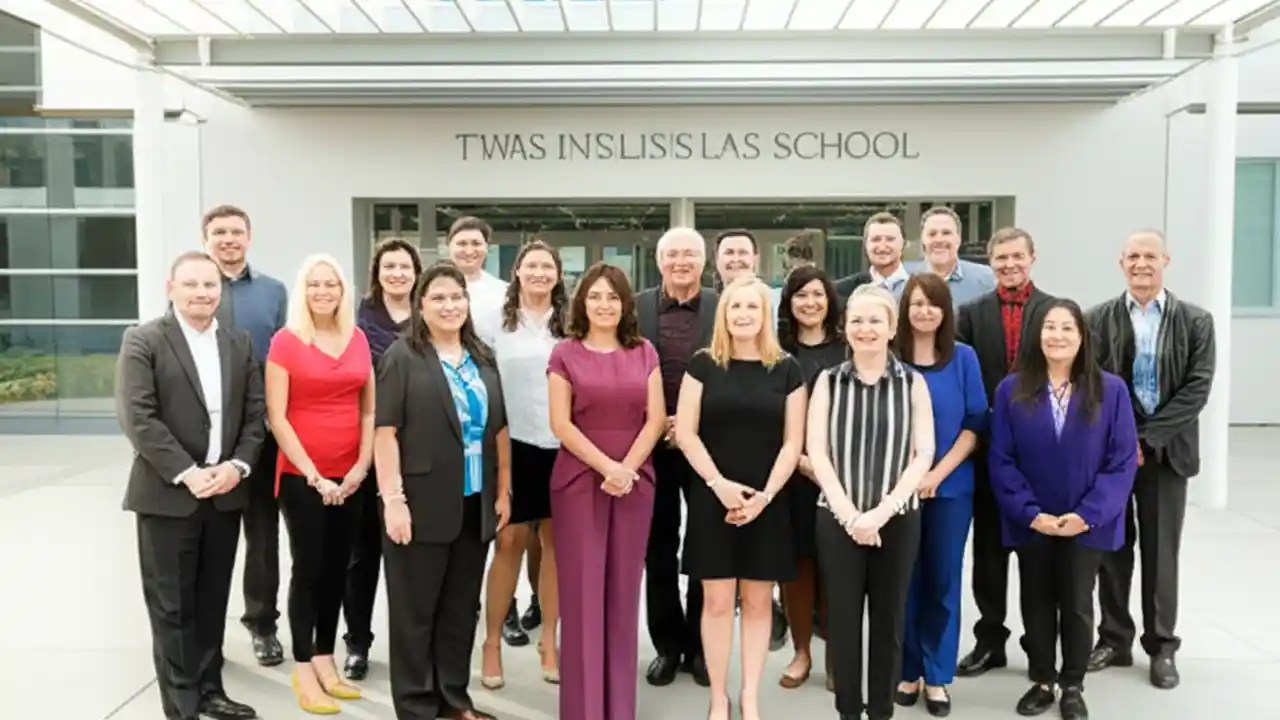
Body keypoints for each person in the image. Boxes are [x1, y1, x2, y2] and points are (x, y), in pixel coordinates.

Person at [117, 250, 265, 720]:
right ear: (171, 287)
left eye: (210, 286)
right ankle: (181, 706)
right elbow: (138, 417)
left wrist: (237, 466)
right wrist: (188, 471)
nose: (203, 293)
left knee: (210, 599)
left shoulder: (238, 343)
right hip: (168, 494)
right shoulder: (144, 340)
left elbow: (255, 417)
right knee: (171, 606)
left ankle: (210, 690)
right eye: (193, 285)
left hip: (224, 494)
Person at [989, 299, 1139, 720]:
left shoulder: (1110, 390)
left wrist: (1087, 514)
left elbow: (1122, 460)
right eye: (1049, 327)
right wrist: (1029, 511)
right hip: (1033, 520)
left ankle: (1072, 682)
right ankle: (1042, 679)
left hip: (1084, 522)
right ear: (1037, 337)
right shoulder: (1012, 389)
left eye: (1067, 328)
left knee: (1076, 602)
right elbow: (1001, 458)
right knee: (1035, 600)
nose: (1057, 335)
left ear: (1082, 336)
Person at [375, 260, 510, 720]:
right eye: (438, 298)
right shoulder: (401, 357)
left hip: (473, 505)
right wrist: (393, 501)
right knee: (415, 616)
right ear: (421, 305)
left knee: (458, 612)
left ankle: (454, 701)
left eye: (457, 296)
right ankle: (416, 707)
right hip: (420, 506)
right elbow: (385, 433)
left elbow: (498, 432)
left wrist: (503, 493)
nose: (449, 305)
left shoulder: (483, 355)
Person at [1085, 229, 1216, 690]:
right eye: (1133, 256)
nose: (1142, 263)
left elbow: (1197, 388)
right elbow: (1093, 384)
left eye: (1150, 256)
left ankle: (1161, 647)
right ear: (1121, 262)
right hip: (1114, 456)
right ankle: (1114, 638)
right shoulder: (1096, 318)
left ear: (1166, 260)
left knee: (1161, 554)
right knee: (1112, 552)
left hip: (1168, 455)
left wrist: (1149, 437)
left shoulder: (1196, 321)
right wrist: (1125, 442)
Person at [676, 276, 807, 720]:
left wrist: (765, 497)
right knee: (715, 603)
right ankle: (718, 696)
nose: (744, 314)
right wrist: (719, 486)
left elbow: (793, 444)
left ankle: (750, 695)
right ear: (724, 314)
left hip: (766, 502)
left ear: (764, 314)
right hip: (713, 497)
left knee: (756, 601)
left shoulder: (787, 369)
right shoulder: (702, 365)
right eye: (736, 307)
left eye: (753, 307)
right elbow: (687, 434)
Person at [807, 284, 936, 720]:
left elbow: (923, 454)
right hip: (838, 521)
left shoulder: (913, 383)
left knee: (889, 622)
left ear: (892, 327)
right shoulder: (828, 382)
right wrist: (850, 516)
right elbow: (818, 453)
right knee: (842, 624)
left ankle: (881, 711)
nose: (866, 328)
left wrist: (880, 514)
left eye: (875, 320)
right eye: (857, 320)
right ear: (845, 328)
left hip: (896, 522)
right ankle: (848, 711)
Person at [547, 261, 666, 720]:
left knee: (622, 596)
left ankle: (619, 708)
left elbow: (655, 419)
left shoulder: (645, 352)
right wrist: (606, 467)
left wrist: (627, 468)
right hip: (580, 483)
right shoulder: (564, 354)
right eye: (595, 296)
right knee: (582, 596)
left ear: (625, 305)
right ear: (582, 302)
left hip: (634, 484)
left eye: (613, 297)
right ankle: (583, 710)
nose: (604, 304)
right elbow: (561, 423)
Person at [266, 254, 375, 714]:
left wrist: (359, 469)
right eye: (315, 284)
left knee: (339, 568)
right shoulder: (286, 342)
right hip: (301, 476)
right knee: (308, 569)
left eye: (331, 284)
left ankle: (328, 657)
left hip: (351, 477)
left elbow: (369, 410)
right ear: (303, 291)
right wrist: (313, 473)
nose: (324, 292)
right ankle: (304, 667)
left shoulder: (358, 339)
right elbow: (277, 416)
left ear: (343, 291)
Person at [954, 227, 1053, 678]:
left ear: (1032, 257)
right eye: (1001, 259)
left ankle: (1039, 646)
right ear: (989, 263)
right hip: (989, 453)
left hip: (1043, 456)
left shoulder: (1055, 312)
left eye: (1017, 257)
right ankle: (989, 640)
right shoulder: (970, 314)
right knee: (989, 558)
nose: (1009, 265)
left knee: (1039, 558)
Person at [892, 274, 988, 717]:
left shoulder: (964, 358)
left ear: (946, 310)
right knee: (904, 582)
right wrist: (910, 480)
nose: (925, 311)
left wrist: (936, 474)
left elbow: (974, 424)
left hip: (950, 490)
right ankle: (907, 669)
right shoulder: (890, 359)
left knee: (942, 581)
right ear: (904, 311)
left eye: (933, 304)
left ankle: (936, 674)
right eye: (916, 304)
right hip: (896, 493)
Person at [201, 204, 289, 668]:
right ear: (207, 238)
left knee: (262, 535)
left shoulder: (274, 292)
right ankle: (206, 634)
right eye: (219, 232)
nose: (228, 239)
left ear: (248, 237)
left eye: (236, 232)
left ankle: (262, 625)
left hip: (261, 432)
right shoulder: (194, 289)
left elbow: (286, 359)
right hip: (207, 437)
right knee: (212, 538)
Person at [479, 240, 568, 689]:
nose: (539, 273)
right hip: (512, 445)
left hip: (562, 445)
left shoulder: (572, 322)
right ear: (516, 272)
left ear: (557, 273)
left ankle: (549, 641)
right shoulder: (496, 323)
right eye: (530, 265)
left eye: (546, 266)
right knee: (510, 541)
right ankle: (492, 643)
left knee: (556, 544)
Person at [635, 227, 717, 687]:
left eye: (689, 254)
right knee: (658, 548)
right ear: (659, 260)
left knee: (704, 547)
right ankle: (668, 645)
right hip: (651, 444)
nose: (681, 261)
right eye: (672, 254)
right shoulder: (639, 306)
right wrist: (661, 422)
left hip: (707, 445)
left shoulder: (724, 306)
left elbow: (735, 369)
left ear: (703, 262)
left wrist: (686, 423)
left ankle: (701, 647)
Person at [342, 238, 422, 680]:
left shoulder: (427, 317)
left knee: (410, 556)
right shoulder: (357, 320)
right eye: (389, 266)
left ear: (415, 273)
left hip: (420, 450)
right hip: (366, 446)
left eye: (404, 266)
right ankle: (356, 642)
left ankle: (412, 648)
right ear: (378, 272)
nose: (397, 273)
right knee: (362, 554)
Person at [775, 266, 846, 691]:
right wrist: (803, 463)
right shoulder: (777, 352)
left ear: (829, 300)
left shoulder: (848, 349)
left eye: (817, 294)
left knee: (838, 568)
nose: (810, 303)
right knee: (797, 568)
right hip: (792, 476)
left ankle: (838, 655)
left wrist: (830, 468)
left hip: (842, 478)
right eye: (801, 296)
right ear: (789, 303)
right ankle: (802, 653)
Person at [909, 207, 995, 307]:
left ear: (958, 239)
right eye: (932, 234)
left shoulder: (986, 279)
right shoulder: (908, 281)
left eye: (946, 233)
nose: (939, 240)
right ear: (923, 240)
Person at [834, 212, 910, 301]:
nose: (882, 247)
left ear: (904, 244)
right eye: (876, 240)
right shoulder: (843, 290)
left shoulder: (917, 288)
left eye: (890, 239)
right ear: (865, 246)